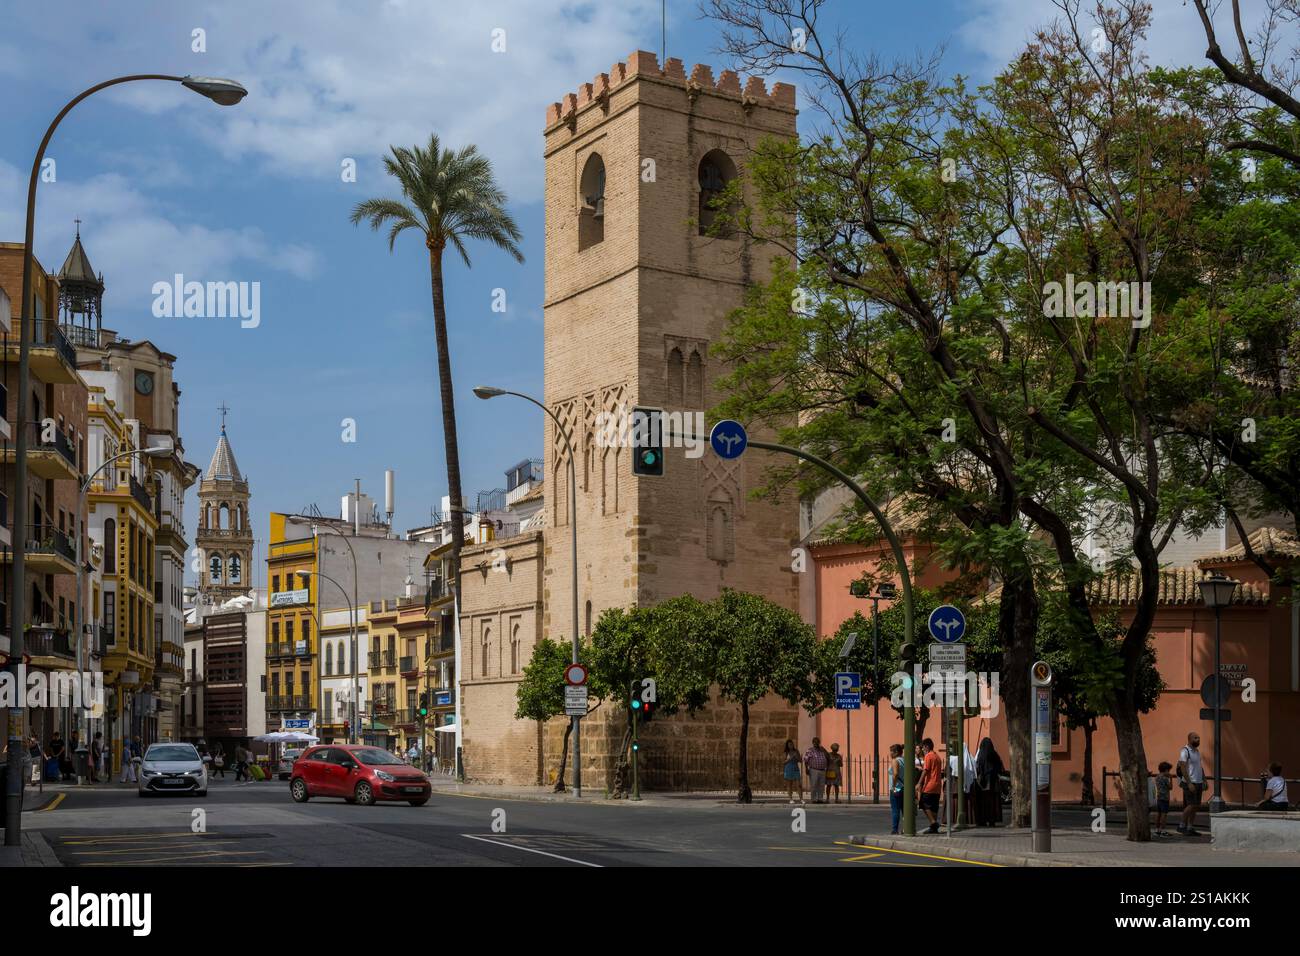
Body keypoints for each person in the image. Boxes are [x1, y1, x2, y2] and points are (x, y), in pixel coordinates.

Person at [1176, 732, 1206, 836]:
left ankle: (1190, 827)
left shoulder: (1197, 752)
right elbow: (1183, 767)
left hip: (1198, 782)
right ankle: (1181, 825)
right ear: (1189, 739)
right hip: (1190, 782)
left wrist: (1204, 780)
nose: (1198, 740)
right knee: (1191, 804)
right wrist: (1189, 783)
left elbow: (1199, 767)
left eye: (1198, 738)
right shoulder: (1184, 751)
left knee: (1196, 805)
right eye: (1195, 738)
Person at [973, 737, 1004, 827]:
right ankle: (992, 820)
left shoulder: (981, 755)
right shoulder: (995, 754)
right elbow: (1000, 768)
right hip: (994, 783)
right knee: (993, 802)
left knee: (983, 802)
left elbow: (978, 767)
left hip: (983, 783)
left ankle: (983, 820)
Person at [917, 738, 944, 833]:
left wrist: (919, 783)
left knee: (923, 804)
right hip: (937, 786)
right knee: (934, 807)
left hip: (929, 785)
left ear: (927, 746)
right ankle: (934, 828)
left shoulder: (928, 756)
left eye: (923, 748)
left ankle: (933, 822)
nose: (922, 750)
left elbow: (926, 770)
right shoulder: (937, 757)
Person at [887, 743, 905, 834]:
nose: (890, 753)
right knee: (904, 809)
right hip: (905, 787)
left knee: (895, 809)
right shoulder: (904, 760)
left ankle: (895, 829)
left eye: (891, 751)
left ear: (896, 752)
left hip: (897, 787)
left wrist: (893, 787)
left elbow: (895, 774)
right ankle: (905, 828)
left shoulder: (895, 761)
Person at [804, 737, 829, 804]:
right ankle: (814, 799)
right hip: (813, 769)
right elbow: (806, 760)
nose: (816, 743)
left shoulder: (822, 750)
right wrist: (806, 768)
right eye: (815, 742)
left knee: (821, 785)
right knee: (814, 785)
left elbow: (828, 757)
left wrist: (824, 750)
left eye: (817, 742)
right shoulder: (810, 750)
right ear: (813, 743)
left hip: (822, 770)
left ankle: (820, 798)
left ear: (819, 743)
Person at [1153, 761, 1174, 835]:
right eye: (1168, 771)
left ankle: (1157, 829)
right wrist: (1171, 778)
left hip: (1159, 797)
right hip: (1165, 798)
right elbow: (1170, 787)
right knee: (1164, 815)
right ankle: (1163, 830)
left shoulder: (1157, 777)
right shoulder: (1165, 778)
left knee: (1158, 814)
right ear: (1166, 770)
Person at [782, 739, 804, 804]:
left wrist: (797, 757)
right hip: (788, 768)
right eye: (789, 744)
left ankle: (801, 799)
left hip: (795, 768)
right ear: (787, 745)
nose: (790, 745)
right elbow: (783, 762)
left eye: (791, 744)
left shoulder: (796, 751)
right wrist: (790, 758)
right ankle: (790, 799)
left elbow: (800, 760)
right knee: (789, 785)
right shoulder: (786, 752)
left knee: (799, 785)